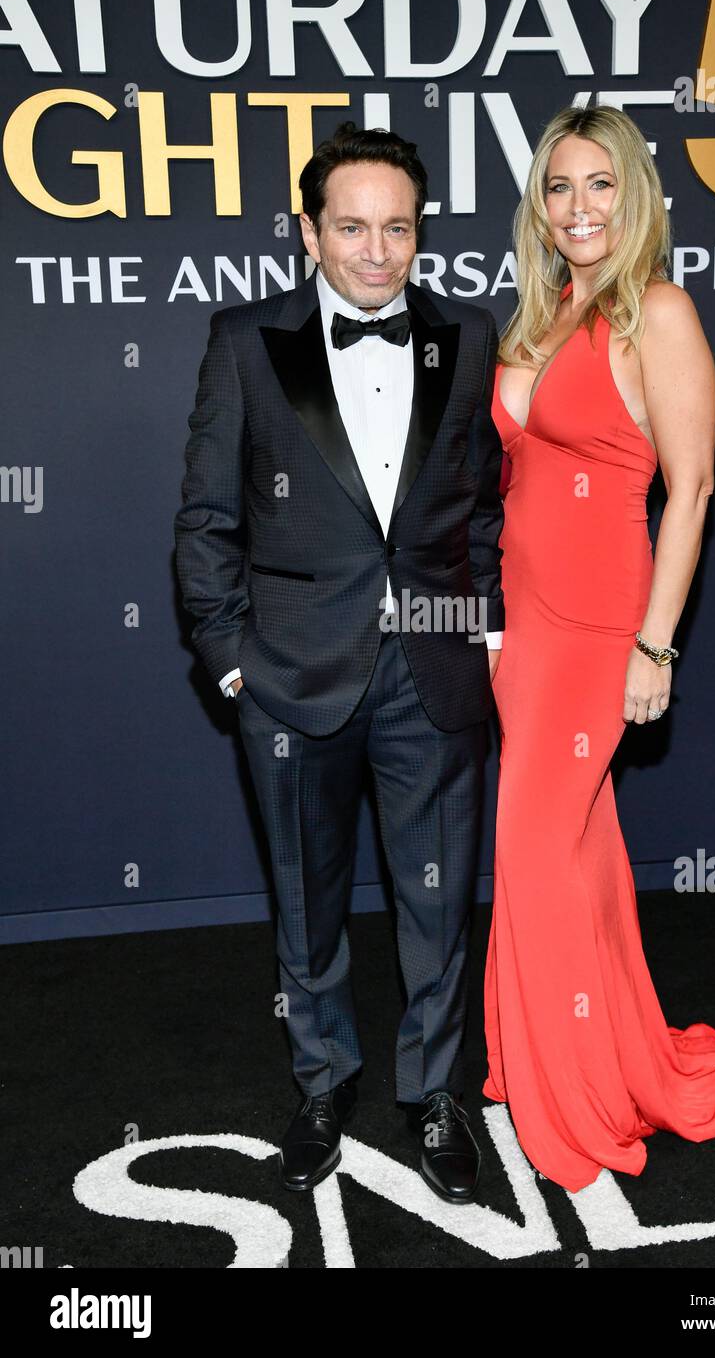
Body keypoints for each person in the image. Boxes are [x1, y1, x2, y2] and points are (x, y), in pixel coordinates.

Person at [174, 122, 505, 1203]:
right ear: (308, 231)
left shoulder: (466, 332)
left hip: (433, 672)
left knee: (440, 898)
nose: (375, 251)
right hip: (290, 676)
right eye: (350, 227)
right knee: (305, 901)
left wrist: (482, 625)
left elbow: (482, 505)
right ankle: (322, 1082)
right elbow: (207, 521)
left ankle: (434, 1094)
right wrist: (231, 662)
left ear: (417, 232)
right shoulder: (242, 341)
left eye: (396, 227)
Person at [483, 104, 715, 1192]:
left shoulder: (659, 314)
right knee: (580, 858)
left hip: (602, 631)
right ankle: (600, 1056)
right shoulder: (541, 310)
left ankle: (570, 1102)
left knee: (531, 858)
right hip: (524, 628)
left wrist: (654, 648)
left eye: (598, 185)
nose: (577, 207)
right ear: (537, 206)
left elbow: (690, 491)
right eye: (557, 187)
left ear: (632, 196)